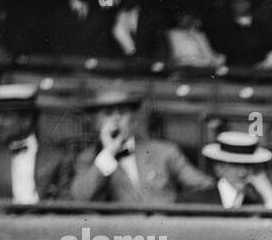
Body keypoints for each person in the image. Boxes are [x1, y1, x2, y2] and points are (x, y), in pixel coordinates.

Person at [68, 85, 212, 204]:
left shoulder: (164, 152)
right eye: (108, 113)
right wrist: (109, 153)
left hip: (165, 234)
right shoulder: (88, 158)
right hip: (123, 238)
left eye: (123, 112)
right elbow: (81, 197)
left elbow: (204, 186)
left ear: (134, 118)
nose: (116, 119)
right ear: (97, 123)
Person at [179, 132, 272, 207]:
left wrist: (270, 195)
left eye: (248, 165)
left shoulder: (257, 204)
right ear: (219, 169)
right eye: (236, 165)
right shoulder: (194, 202)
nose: (243, 173)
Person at [209, 0, 272, 67]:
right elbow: (219, 55)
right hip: (230, 76)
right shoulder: (223, 28)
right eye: (237, 0)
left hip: (260, 74)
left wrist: (267, 64)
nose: (241, 4)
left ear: (251, 2)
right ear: (231, 3)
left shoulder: (262, 27)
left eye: (244, 0)